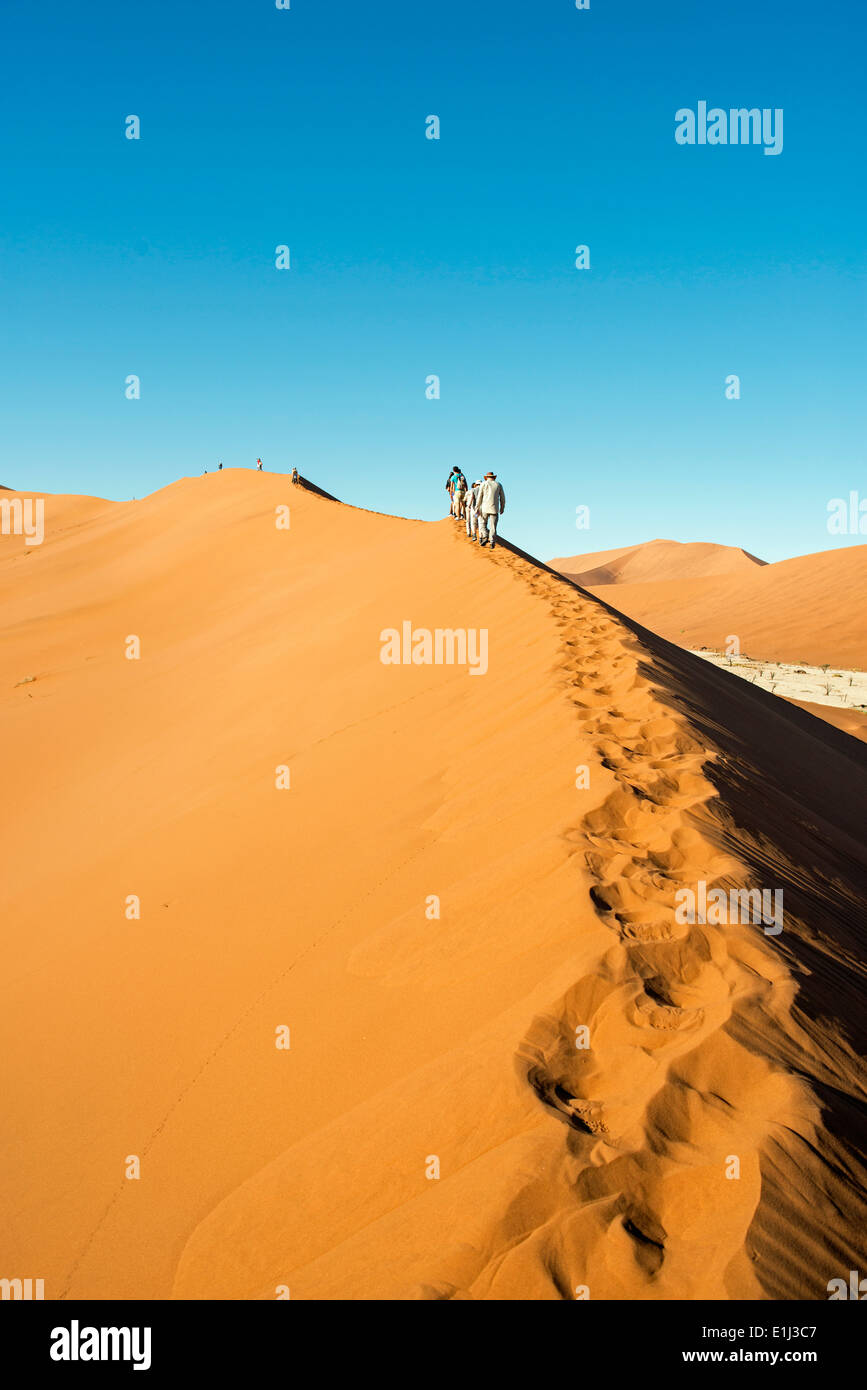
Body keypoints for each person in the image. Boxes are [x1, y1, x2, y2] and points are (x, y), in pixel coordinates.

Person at [476, 471, 506, 549]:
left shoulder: (483, 484)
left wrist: (477, 507)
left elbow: (479, 497)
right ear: (494, 477)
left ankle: (485, 536)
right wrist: (502, 507)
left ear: (487, 477)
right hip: (494, 508)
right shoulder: (498, 485)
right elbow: (502, 498)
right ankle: (492, 541)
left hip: (484, 508)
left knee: (482, 523)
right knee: (493, 526)